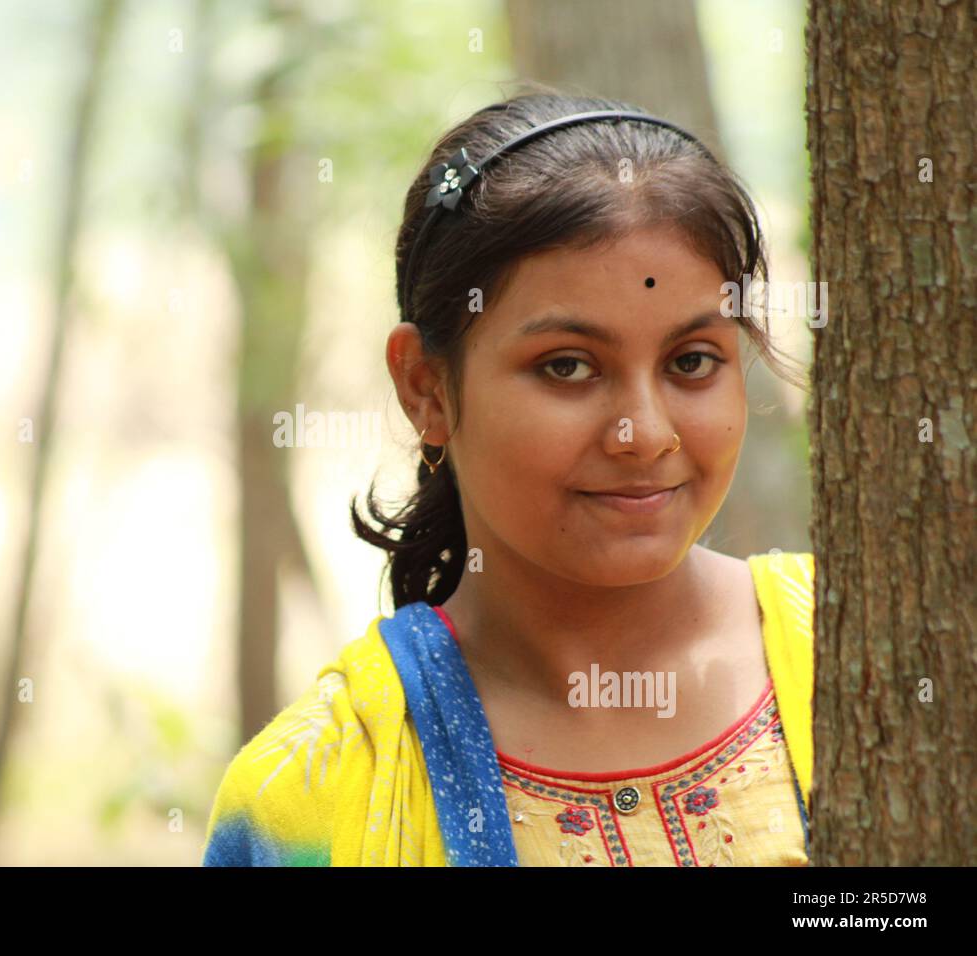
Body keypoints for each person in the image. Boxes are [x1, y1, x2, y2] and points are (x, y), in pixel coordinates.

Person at [202, 88, 814, 866]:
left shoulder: (867, 657)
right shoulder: (313, 793)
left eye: (692, 362)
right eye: (567, 367)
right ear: (426, 386)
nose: (646, 435)